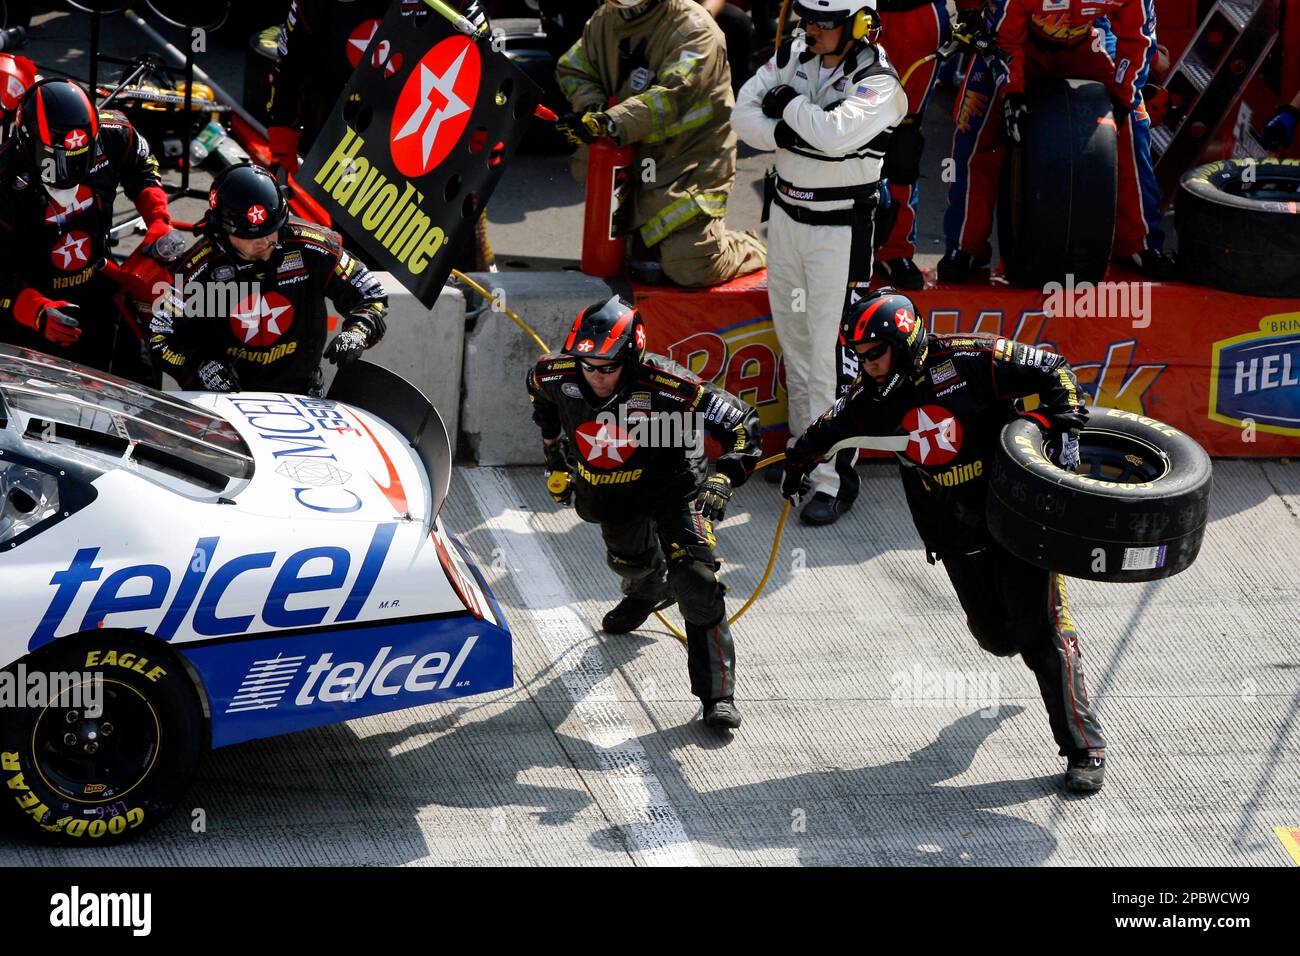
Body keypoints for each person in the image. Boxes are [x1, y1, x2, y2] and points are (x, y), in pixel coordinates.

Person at [781, 287, 1107, 791]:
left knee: (1041, 637)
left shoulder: (973, 359)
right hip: (955, 534)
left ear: (903, 339)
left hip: (1017, 521)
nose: (866, 365)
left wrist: (1062, 430)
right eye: (859, 357)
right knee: (998, 639)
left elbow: (1056, 369)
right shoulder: (875, 395)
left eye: (873, 353)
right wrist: (798, 461)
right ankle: (1031, 640)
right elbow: (830, 426)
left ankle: (1083, 746)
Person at [527, 295, 761, 728]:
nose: (597, 376)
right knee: (627, 560)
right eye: (588, 365)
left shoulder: (671, 384)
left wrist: (724, 478)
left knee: (695, 581)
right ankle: (648, 590)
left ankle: (718, 696)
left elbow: (742, 424)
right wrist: (554, 460)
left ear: (632, 356)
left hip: (673, 485)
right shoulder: (553, 374)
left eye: (609, 366)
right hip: (610, 486)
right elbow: (542, 403)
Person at [731, 0, 906, 525]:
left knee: (833, 354)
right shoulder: (793, 55)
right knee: (796, 344)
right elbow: (743, 114)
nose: (811, 29)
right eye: (807, 18)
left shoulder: (879, 80)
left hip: (840, 231)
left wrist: (784, 110)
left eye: (824, 22)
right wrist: (789, 129)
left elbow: (835, 135)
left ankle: (834, 477)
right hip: (785, 218)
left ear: (857, 24)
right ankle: (805, 455)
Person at [939, 0, 1156, 282]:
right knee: (972, 127)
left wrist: (1123, 96)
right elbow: (1003, 38)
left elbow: (1140, 36)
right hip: (1015, 47)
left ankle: (1139, 245)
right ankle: (964, 248)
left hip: (1085, 43)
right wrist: (1012, 93)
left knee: (1135, 122)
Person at [555, 0, 767, 287]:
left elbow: (672, 96)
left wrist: (608, 123)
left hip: (688, 162)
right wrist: (591, 106)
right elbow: (574, 66)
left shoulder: (695, 29)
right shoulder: (607, 19)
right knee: (632, 264)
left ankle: (754, 247)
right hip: (635, 159)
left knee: (689, 265)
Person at [0, 78, 182, 383]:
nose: (68, 173)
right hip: (30, 302)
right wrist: (32, 308)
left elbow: (142, 169)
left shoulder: (115, 134)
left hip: (97, 280)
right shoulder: (5, 178)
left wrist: (158, 219)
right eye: (56, 160)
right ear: (28, 141)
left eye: (78, 159)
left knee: (135, 376)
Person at [150, 164, 387, 395]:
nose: (265, 241)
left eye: (271, 230)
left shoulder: (313, 247)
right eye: (252, 236)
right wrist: (200, 368)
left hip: (302, 398)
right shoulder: (198, 269)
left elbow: (370, 294)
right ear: (224, 230)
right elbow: (160, 337)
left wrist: (358, 330)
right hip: (226, 401)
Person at [265, 0, 489, 177]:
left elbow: (486, 60)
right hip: (343, 132)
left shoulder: (458, 6)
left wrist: (483, 129)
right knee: (342, 225)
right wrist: (282, 139)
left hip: (420, 133)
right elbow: (290, 63)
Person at [873, 0, 951, 290]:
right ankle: (839, 246)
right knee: (842, 132)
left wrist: (972, 11)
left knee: (902, 143)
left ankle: (893, 251)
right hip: (854, 15)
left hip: (919, 18)